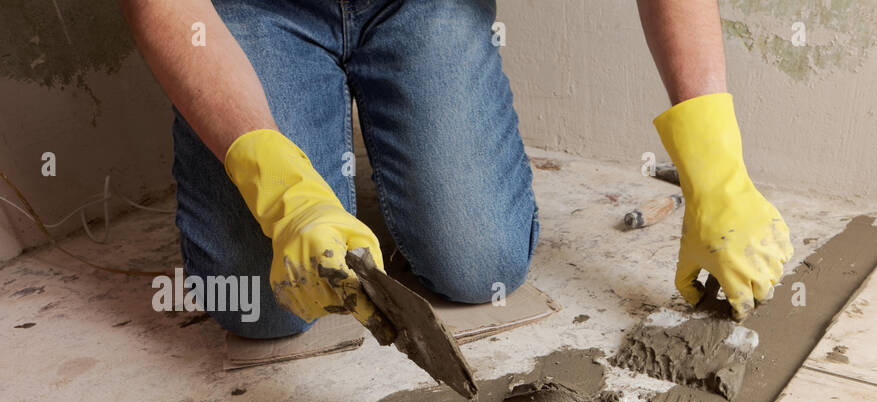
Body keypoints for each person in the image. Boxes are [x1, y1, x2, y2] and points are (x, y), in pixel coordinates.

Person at [120, 0, 792, 338]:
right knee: (262, 306)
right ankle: (308, 172)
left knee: (484, 265)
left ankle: (370, 179)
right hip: (249, 10)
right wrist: (282, 190)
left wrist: (716, 167)